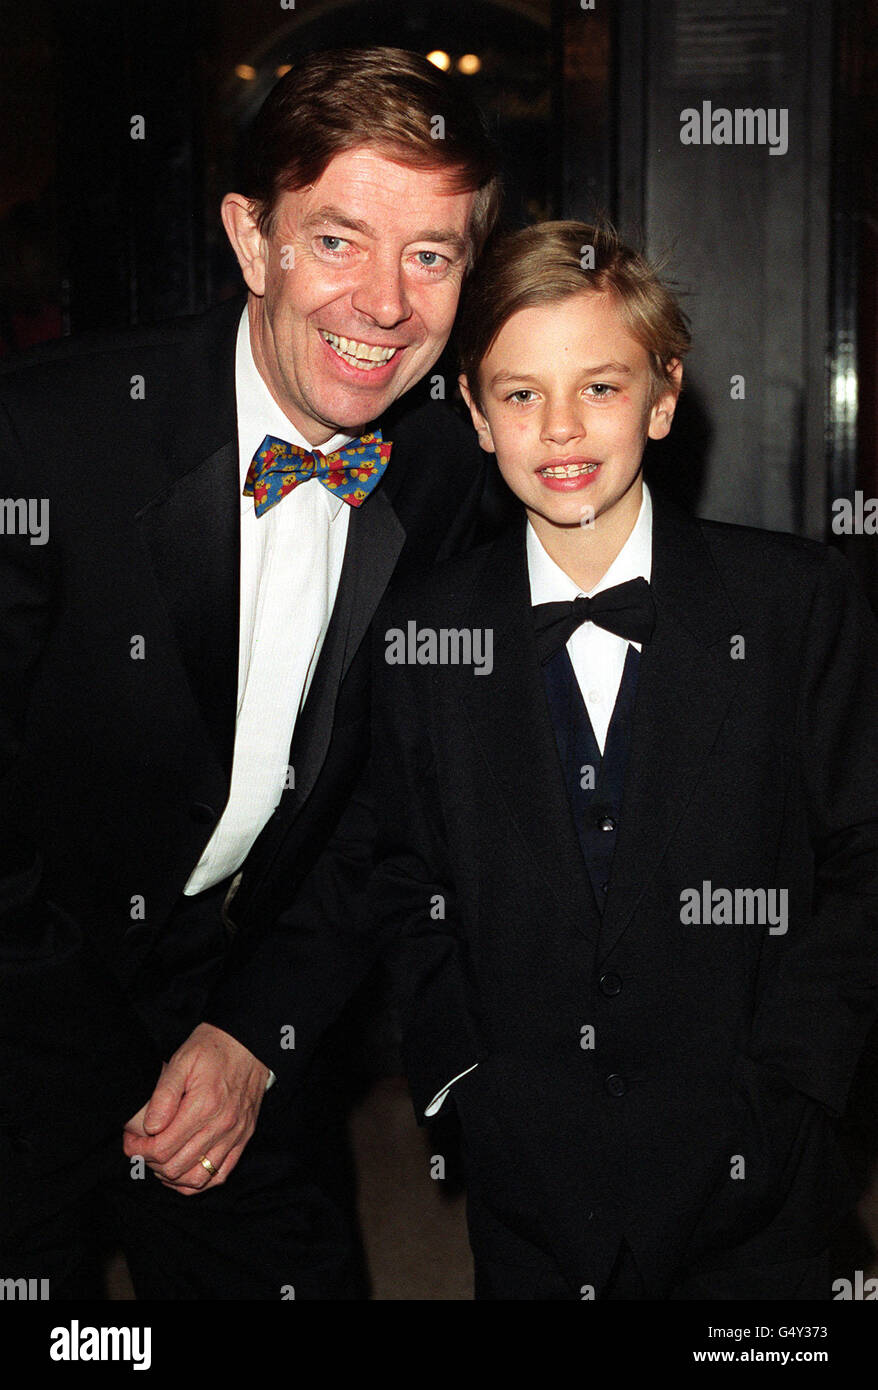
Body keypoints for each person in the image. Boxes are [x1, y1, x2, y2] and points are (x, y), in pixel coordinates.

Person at [0, 46, 501, 1300]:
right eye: (336, 239)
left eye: (430, 254)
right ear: (249, 238)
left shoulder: (442, 475)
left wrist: (250, 1032)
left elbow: (380, 806)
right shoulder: (45, 439)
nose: (385, 304)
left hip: (224, 992)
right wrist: (99, 1060)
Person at [370, 220, 878, 1299]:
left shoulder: (793, 602)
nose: (559, 427)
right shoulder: (419, 631)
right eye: (518, 394)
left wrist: (793, 1086)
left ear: (661, 396)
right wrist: (465, 1078)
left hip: (759, 1181)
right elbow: (398, 873)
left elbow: (861, 856)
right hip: (533, 1189)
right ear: (470, 412)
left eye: (598, 387)